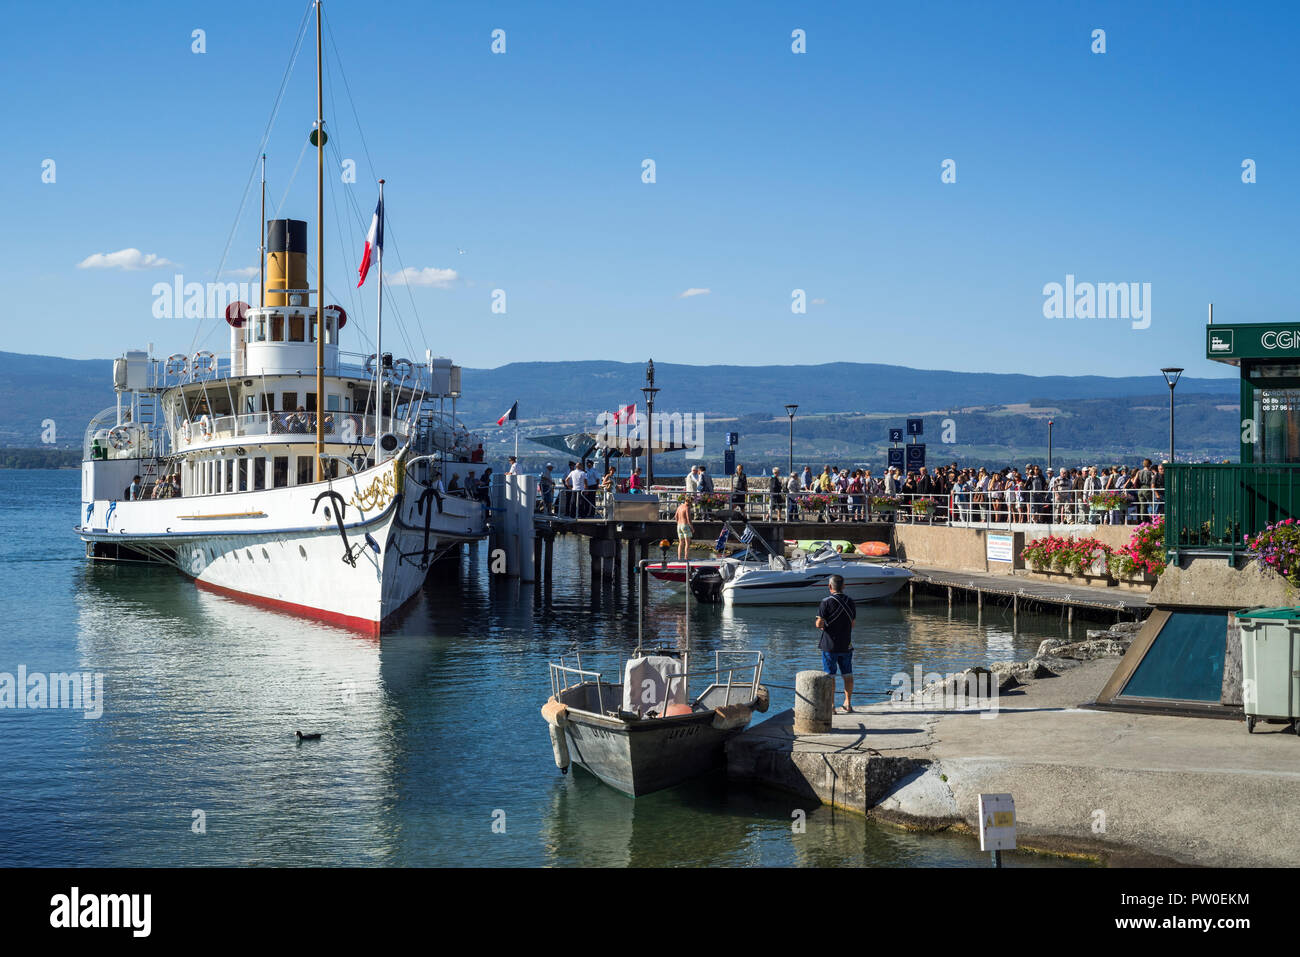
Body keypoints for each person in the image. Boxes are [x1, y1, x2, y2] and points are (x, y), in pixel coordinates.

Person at [816, 574, 857, 714]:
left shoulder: (825, 602)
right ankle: (848, 703)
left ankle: (832, 705)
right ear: (843, 586)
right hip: (846, 644)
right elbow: (852, 623)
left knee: (830, 676)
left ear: (829, 586)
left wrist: (821, 625)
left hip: (829, 645)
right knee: (847, 674)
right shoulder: (850, 601)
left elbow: (819, 623)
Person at [674, 496, 694, 560]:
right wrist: (692, 528)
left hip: (679, 526)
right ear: (689, 501)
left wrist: (678, 523)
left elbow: (675, 516)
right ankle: (686, 558)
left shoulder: (679, 507)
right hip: (685, 525)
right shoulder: (687, 507)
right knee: (687, 543)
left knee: (681, 543)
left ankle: (679, 558)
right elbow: (688, 519)